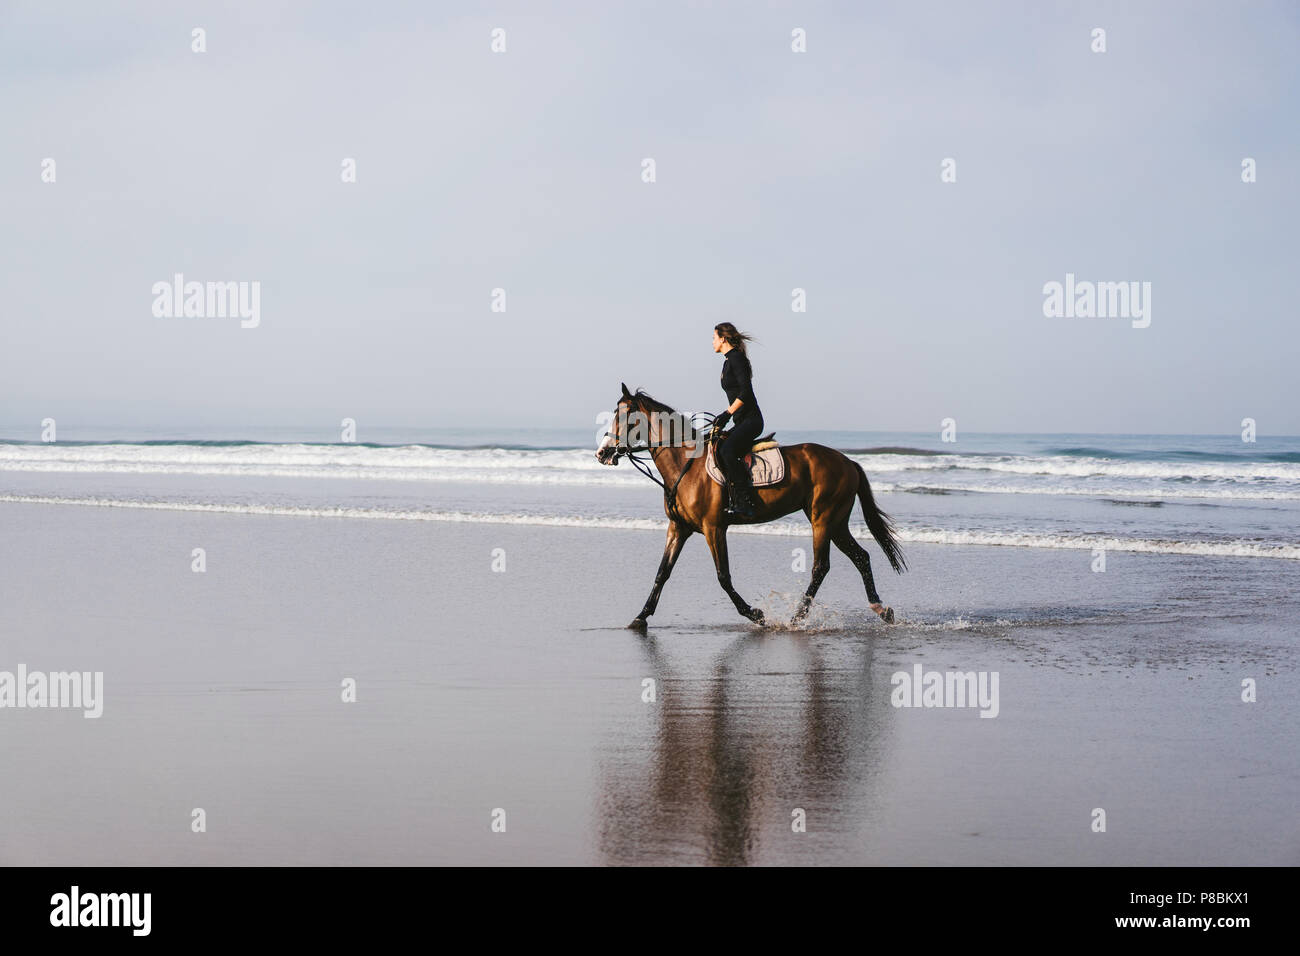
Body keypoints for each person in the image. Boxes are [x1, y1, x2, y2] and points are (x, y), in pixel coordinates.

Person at [711, 322, 763, 518]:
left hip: (752, 421)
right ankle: (729, 495)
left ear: (723, 339)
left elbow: (746, 392)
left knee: (727, 450)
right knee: (716, 444)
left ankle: (745, 502)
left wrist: (727, 414)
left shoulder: (737, 359)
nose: (712, 342)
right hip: (740, 422)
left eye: (714, 338)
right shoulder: (727, 361)